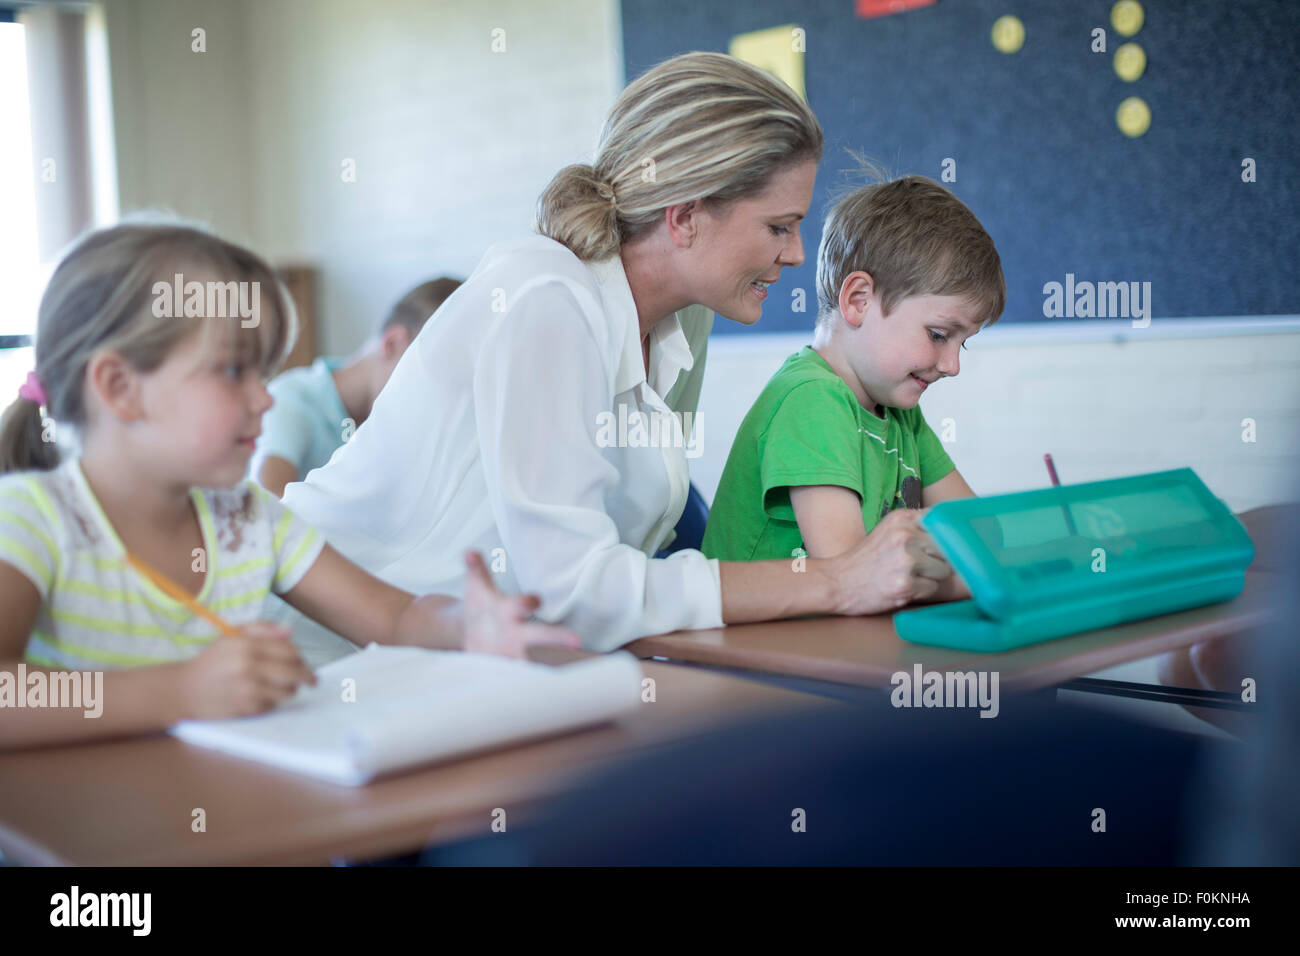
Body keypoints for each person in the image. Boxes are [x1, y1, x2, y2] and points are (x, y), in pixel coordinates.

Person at [282, 52, 965, 653]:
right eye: (778, 227)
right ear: (687, 215)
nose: (793, 254)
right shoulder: (544, 298)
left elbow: (623, 564)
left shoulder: (683, 320)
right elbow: (575, 589)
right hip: (324, 660)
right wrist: (833, 581)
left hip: (483, 666)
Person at [0, 223, 574, 749]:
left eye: (264, 372)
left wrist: (467, 625)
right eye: (232, 372)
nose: (265, 397)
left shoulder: (250, 520)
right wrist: (180, 691)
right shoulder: (32, 520)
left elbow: (393, 618)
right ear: (120, 387)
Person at [702, 174, 1004, 608]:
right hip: (763, 663)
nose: (953, 366)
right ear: (859, 300)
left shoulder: (898, 412)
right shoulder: (811, 400)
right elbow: (863, 579)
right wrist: (975, 578)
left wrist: (972, 560)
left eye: (963, 342)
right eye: (939, 334)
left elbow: (980, 532)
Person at [254, 277, 461, 496]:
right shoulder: (290, 402)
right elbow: (264, 506)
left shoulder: (398, 425)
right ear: (392, 344)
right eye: (436, 374)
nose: (437, 396)